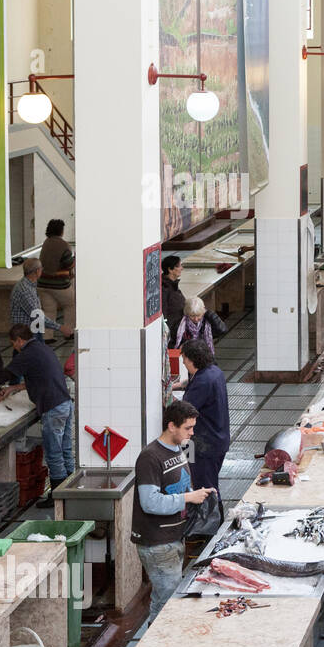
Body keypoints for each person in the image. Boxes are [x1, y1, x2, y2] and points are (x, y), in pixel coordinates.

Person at [132, 401, 214, 620]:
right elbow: (149, 502)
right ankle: (157, 646)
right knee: (167, 602)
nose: (192, 432)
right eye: (188, 428)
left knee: (166, 598)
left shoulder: (179, 448)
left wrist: (199, 496)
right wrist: (188, 497)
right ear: (171, 426)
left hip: (174, 537)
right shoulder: (150, 457)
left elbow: (179, 485)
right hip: (157, 543)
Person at [0, 323, 75, 504]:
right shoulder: (42, 348)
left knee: (54, 453)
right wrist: (14, 388)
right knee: (65, 449)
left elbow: (3, 374)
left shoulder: (27, 354)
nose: (14, 347)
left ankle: (57, 496)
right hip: (64, 403)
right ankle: (71, 489)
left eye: (13, 343)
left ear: (19, 340)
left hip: (53, 408)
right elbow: (40, 377)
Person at [177, 339, 229, 493]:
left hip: (202, 446)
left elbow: (184, 409)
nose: (183, 362)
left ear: (192, 359)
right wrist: (180, 385)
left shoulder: (202, 381)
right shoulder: (215, 372)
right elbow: (195, 383)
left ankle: (210, 516)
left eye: (184, 359)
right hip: (218, 439)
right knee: (209, 482)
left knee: (205, 488)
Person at [12, 258, 71, 343]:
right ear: (37, 271)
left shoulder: (29, 285)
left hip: (32, 329)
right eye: (41, 268)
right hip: (25, 334)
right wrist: (60, 327)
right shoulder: (25, 290)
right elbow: (37, 315)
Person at [36, 218, 76, 331]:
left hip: (42, 283)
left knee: (49, 310)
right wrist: (75, 259)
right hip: (59, 284)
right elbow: (69, 265)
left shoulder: (46, 242)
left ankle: (48, 336)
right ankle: (69, 332)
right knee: (70, 305)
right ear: (61, 231)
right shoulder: (64, 245)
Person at [161, 255, 186, 340]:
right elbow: (163, 312)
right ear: (170, 269)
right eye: (179, 266)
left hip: (178, 327)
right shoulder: (164, 287)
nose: (182, 268)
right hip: (173, 331)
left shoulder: (172, 285)